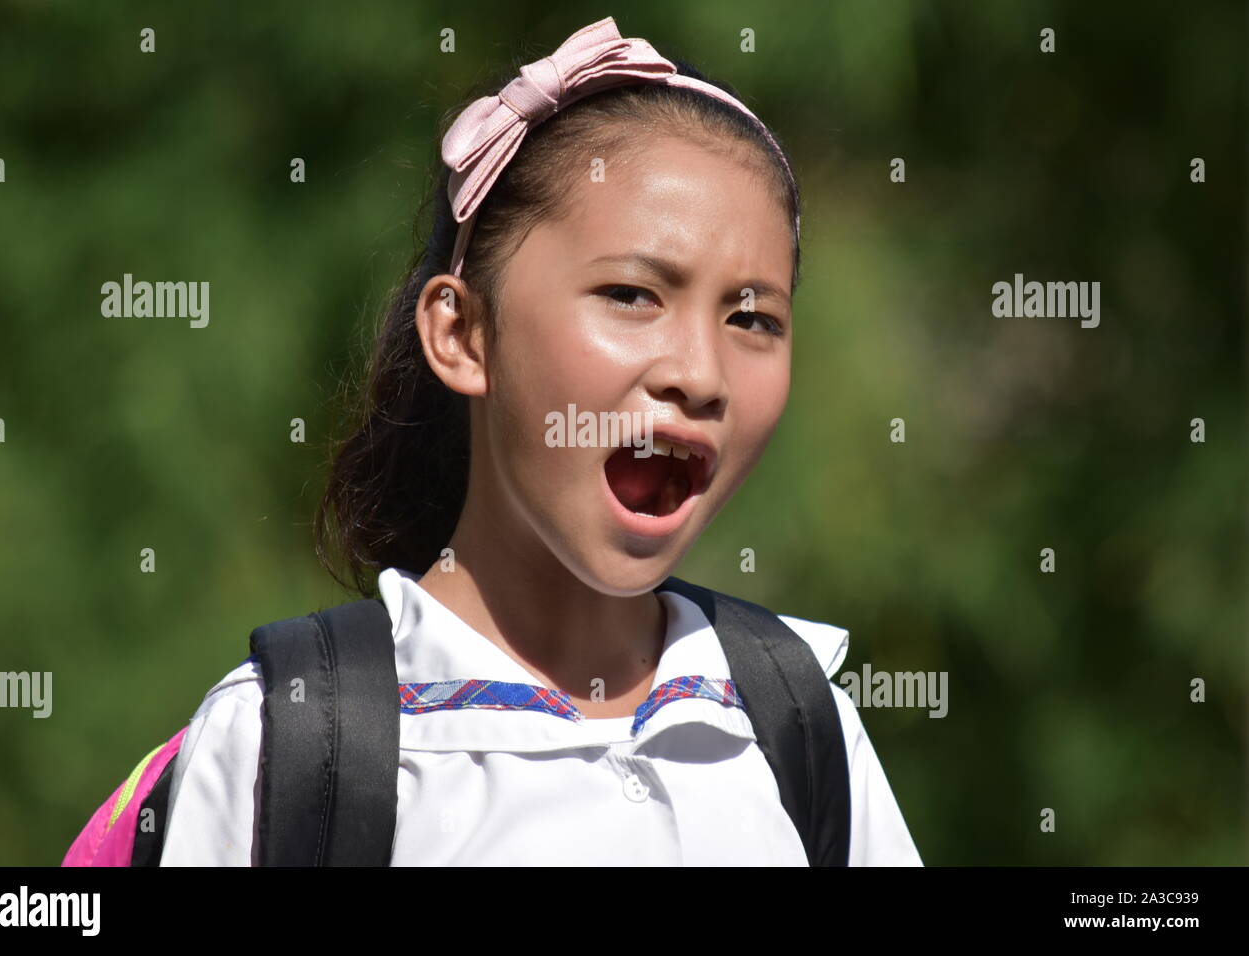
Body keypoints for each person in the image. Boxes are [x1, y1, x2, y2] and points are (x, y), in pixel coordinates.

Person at [122, 15, 924, 866]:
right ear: (463, 334)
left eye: (753, 317)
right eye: (631, 294)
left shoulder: (800, 725)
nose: (702, 372)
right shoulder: (286, 739)